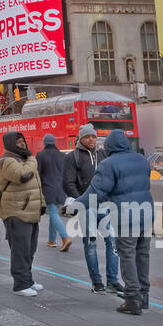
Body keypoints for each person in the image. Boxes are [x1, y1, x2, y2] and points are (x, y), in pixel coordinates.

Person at [85, 130, 153, 315]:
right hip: (146, 214)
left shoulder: (108, 164)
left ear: (109, 147)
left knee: (128, 255)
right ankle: (144, 296)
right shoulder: (141, 159)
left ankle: (132, 299)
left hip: (126, 216)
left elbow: (97, 192)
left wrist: (76, 204)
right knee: (142, 255)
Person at [64, 124, 121, 294]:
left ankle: (112, 281)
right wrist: (82, 201)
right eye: (88, 137)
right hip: (86, 206)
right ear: (80, 138)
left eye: (94, 137)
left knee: (112, 241)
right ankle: (97, 282)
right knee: (90, 244)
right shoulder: (72, 157)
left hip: (104, 205)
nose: (91, 140)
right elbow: (68, 182)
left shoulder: (103, 154)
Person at [0, 132, 44, 297]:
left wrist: (42, 204)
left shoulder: (24, 160)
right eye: (18, 142)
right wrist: (32, 159)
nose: (22, 144)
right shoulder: (7, 161)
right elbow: (23, 176)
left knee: (30, 248)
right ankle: (20, 284)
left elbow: (36, 184)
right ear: (10, 144)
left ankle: (28, 280)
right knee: (20, 249)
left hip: (30, 211)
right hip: (16, 211)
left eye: (23, 141)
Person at [38, 134, 71, 251]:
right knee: (54, 212)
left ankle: (65, 238)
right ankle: (52, 240)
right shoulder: (62, 155)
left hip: (48, 188)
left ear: (45, 142)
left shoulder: (41, 155)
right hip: (60, 189)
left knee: (52, 212)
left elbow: (38, 174)